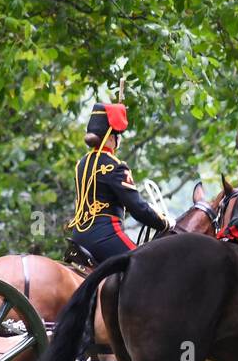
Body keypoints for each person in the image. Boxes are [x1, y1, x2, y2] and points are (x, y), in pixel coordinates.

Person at [66, 102, 171, 263]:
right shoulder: (115, 166)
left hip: (78, 238)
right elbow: (137, 208)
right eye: (117, 135)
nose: (118, 139)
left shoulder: (81, 163)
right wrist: (164, 222)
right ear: (109, 137)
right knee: (148, 265)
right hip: (105, 238)